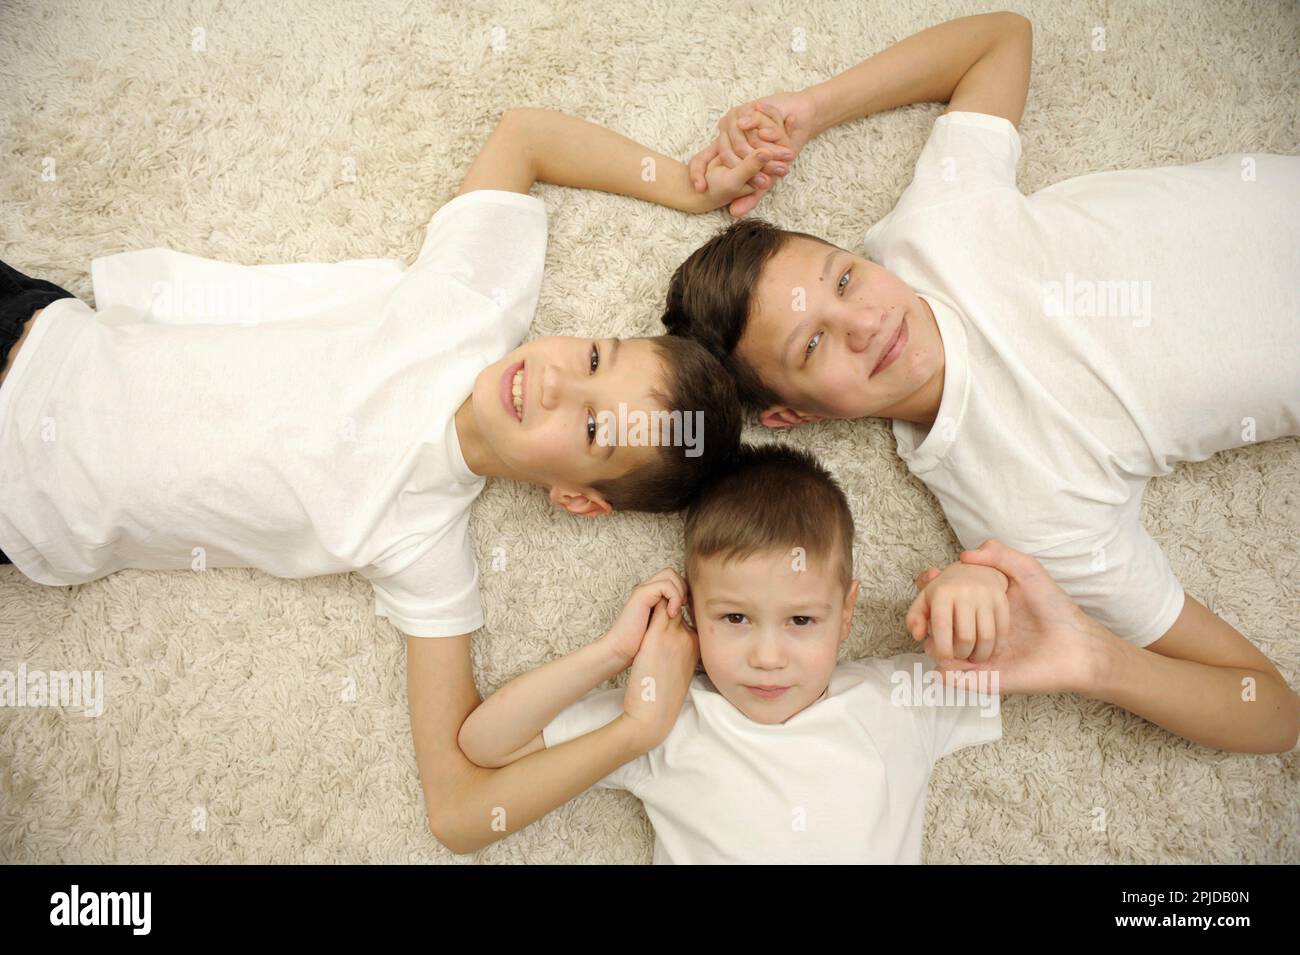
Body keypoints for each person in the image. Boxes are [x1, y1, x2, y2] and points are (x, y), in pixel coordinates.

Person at [0, 105, 787, 851]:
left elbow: (459, 809)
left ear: (576, 498)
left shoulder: (423, 544)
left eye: (588, 427)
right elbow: (527, 135)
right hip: (40, 335)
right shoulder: (473, 303)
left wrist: (633, 729)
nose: (553, 383)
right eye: (591, 358)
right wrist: (687, 185)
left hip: (22, 499)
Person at [664, 12, 1300, 753]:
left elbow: (1005, 37)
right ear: (790, 416)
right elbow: (1269, 707)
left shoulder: (932, 227)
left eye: (843, 277)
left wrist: (811, 110)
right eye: (813, 343)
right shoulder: (1021, 514)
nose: (864, 322)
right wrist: (1097, 661)